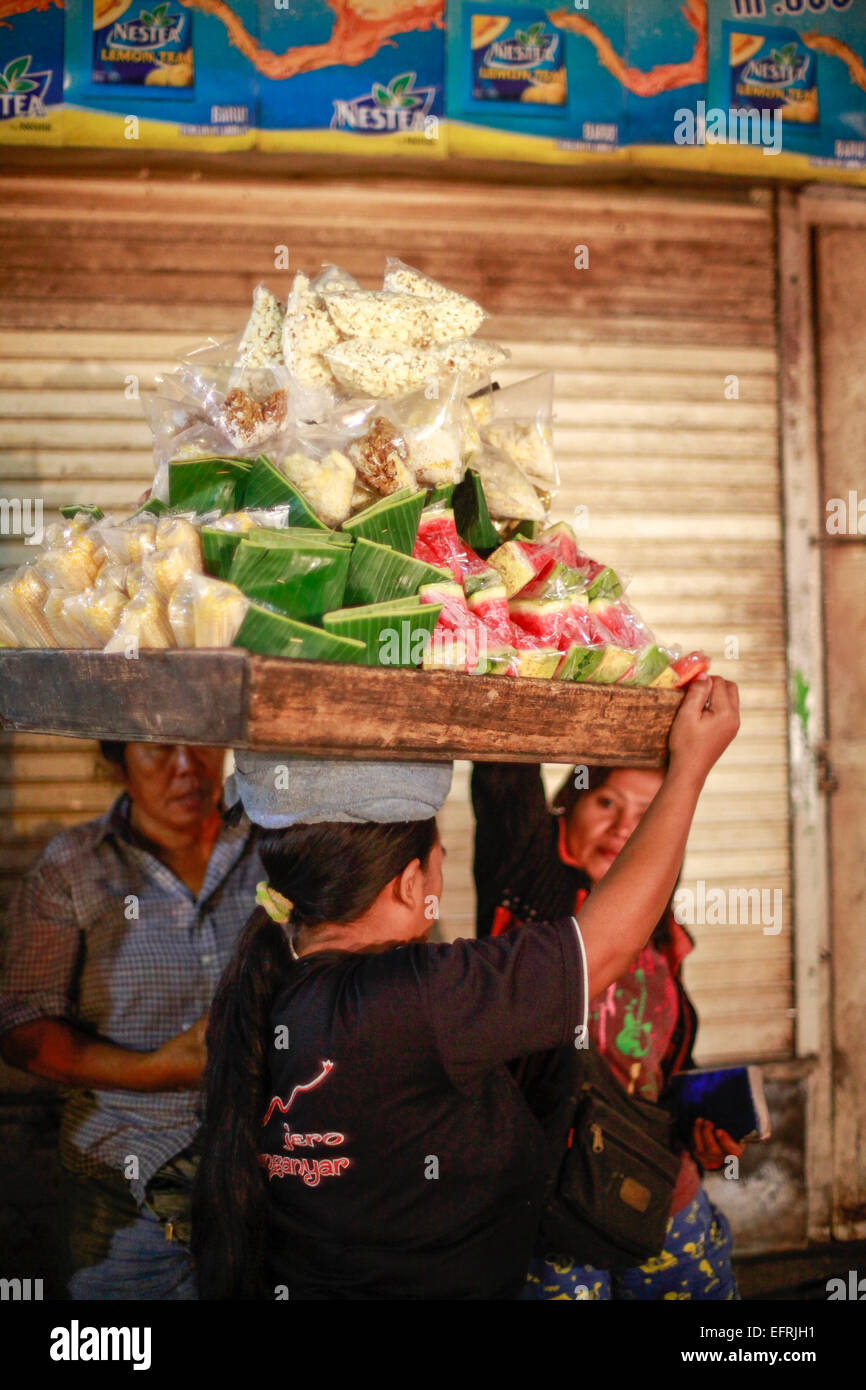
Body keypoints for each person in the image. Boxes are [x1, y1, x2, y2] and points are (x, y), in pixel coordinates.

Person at [192, 675, 739, 1300]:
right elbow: (603, 949)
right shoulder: (417, 997)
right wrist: (690, 769)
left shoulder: (275, 979)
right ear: (407, 884)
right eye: (442, 854)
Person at [472, 758, 744, 1300]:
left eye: (647, 815)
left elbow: (663, 1070)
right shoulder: (528, 889)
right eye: (605, 803)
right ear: (563, 808)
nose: (623, 827)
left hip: (666, 1203)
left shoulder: (662, 928)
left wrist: (706, 1134)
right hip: (553, 1212)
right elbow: (504, 780)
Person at [0, 741, 263, 1300]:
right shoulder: (74, 865)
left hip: (264, 1178)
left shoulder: (270, 848)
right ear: (116, 761)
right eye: (160, 749)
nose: (187, 765)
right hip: (122, 1194)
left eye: (201, 743)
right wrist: (154, 1069)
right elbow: (21, 1026)